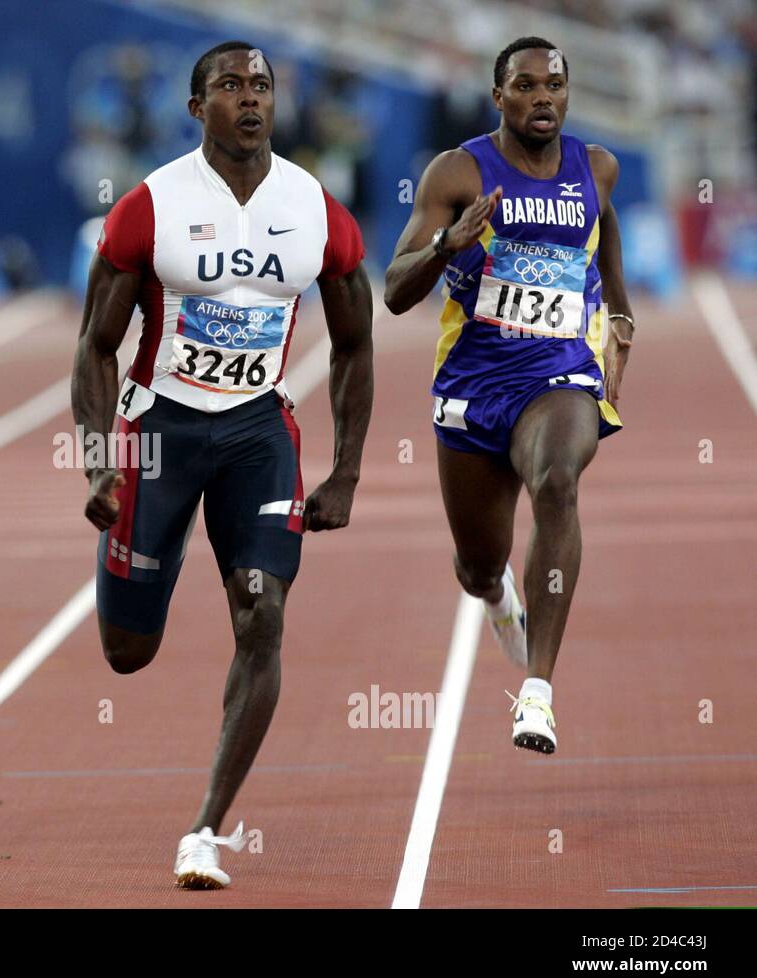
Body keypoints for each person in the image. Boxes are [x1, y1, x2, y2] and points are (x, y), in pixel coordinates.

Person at [71, 41, 373, 888]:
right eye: (231, 85)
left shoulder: (316, 210)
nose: (250, 98)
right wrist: (97, 461)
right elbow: (95, 346)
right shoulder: (150, 206)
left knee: (263, 616)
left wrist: (347, 471)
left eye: (262, 86)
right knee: (127, 650)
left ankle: (205, 827)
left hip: (256, 434)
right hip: (159, 431)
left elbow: (355, 342)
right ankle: (151, 550)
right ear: (196, 106)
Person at [383, 37, 633, 754]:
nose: (542, 98)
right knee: (477, 564)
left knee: (557, 480)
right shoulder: (458, 171)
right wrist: (446, 245)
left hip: (560, 370)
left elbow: (603, 225)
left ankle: (537, 692)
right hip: (474, 381)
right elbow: (394, 290)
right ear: (499, 97)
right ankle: (497, 596)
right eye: (525, 86)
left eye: (554, 85)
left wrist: (619, 312)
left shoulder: (596, 166)